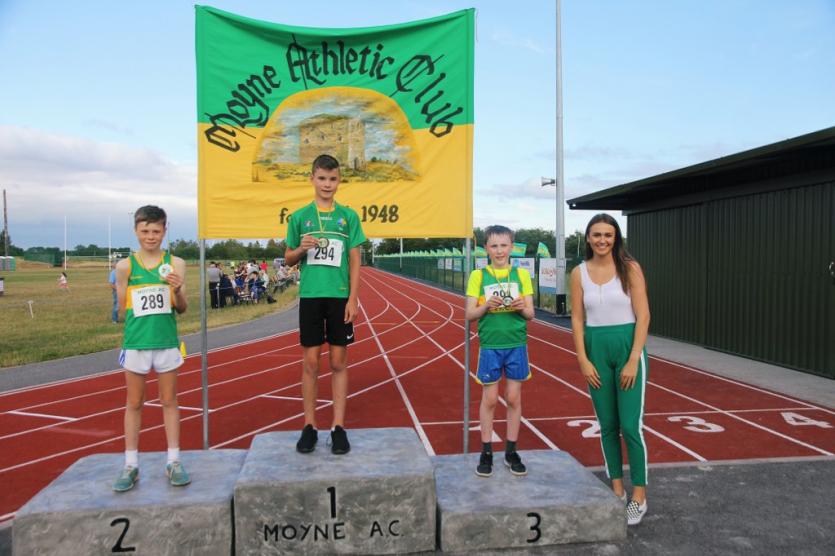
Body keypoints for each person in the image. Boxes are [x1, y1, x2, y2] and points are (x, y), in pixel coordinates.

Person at [570, 213, 651, 526]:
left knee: (630, 426)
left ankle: (639, 497)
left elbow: (643, 317)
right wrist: (583, 358)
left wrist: (633, 358)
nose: (602, 240)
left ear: (615, 237)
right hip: (596, 349)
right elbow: (577, 319)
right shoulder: (579, 273)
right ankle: (617, 490)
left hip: (627, 346)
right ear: (588, 238)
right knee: (606, 425)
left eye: (608, 234)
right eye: (596, 235)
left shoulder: (630, 268)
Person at [284, 154, 366, 455]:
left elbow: (355, 260)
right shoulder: (299, 217)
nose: (327, 184)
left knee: (338, 362)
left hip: (339, 296)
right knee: (310, 363)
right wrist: (301, 249)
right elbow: (288, 258)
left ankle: (338, 426)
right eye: (322, 178)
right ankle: (309, 426)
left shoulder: (348, 217)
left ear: (339, 181)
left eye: (332, 179)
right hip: (310, 297)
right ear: (312, 178)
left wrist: (353, 298)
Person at [112, 205, 190, 492]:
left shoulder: (176, 264)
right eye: (145, 231)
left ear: (164, 231)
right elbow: (122, 312)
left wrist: (178, 289)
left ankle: (174, 460)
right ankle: (130, 464)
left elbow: (182, 308)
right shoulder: (125, 267)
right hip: (137, 343)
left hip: (167, 341)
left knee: (169, 400)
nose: (150, 236)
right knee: (134, 402)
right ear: (136, 230)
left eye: (156, 231)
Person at [465, 225, 535, 478]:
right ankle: (486, 451)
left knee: (514, 399)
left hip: (516, 344)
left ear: (511, 247)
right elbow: (469, 314)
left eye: (504, 245)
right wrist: (485, 307)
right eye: (494, 246)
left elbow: (530, 314)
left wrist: (519, 307)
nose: (499, 251)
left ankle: (511, 450)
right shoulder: (478, 275)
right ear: (486, 248)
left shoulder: (521, 275)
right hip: (490, 346)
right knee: (491, 399)